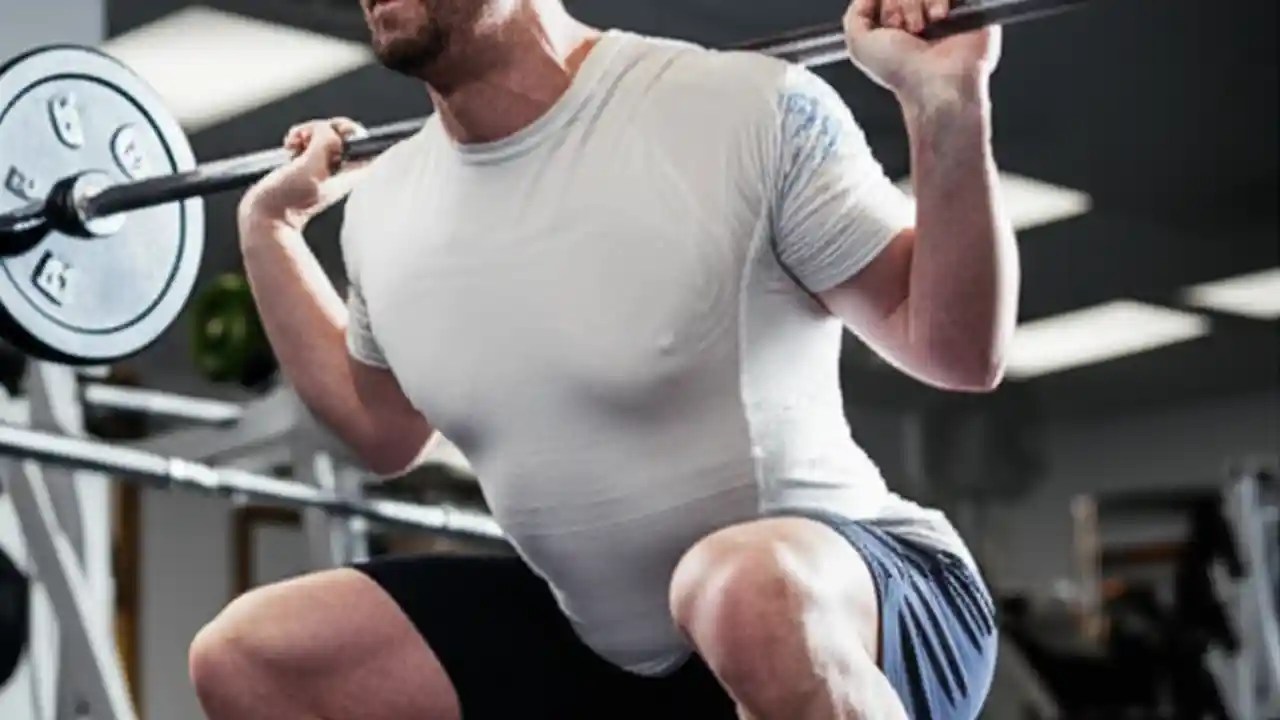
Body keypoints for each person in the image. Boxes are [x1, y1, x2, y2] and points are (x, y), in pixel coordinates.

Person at [189, 0, 1017, 717]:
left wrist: (948, 103)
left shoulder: (737, 108)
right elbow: (380, 432)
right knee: (253, 656)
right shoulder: (385, 209)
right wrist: (268, 232)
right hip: (615, 656)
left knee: (739, 591)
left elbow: (956, 350)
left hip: (870, 613)